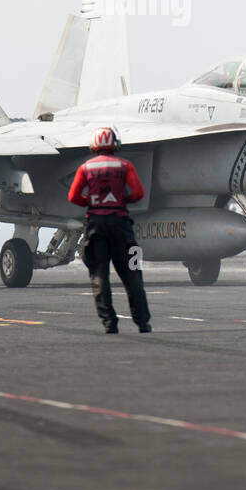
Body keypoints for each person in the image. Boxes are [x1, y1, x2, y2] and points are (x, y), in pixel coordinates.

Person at [68, 126, 152, 334]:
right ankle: (142, 322)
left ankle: (109, 323)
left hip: (96, 226)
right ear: (115, 144)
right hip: (121, 224)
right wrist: (122, 200)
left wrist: (91, 202)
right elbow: (138, 193)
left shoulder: (85, 168)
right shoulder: (125, 165)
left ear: (94, 145)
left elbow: (73, 197)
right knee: (133, 273)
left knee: (99, 276)